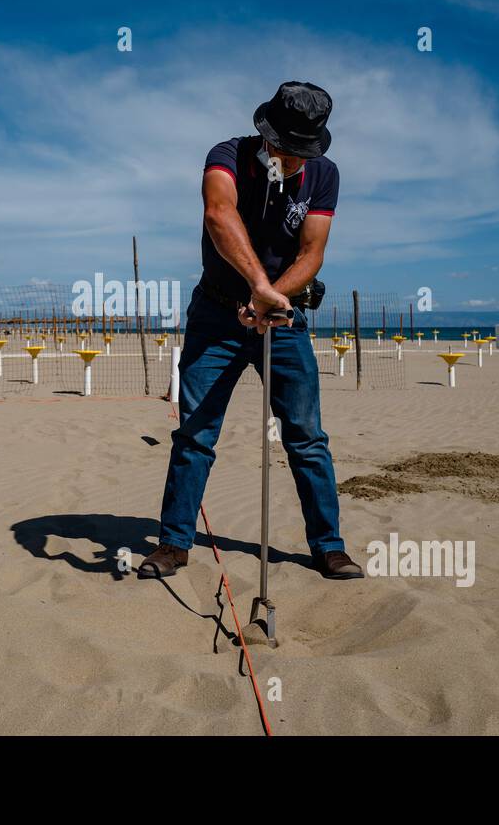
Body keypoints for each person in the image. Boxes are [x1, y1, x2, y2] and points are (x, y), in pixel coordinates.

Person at [139, 82, 363, 581]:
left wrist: (270, 299)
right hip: (216, 315)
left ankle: (328, 546)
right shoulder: (227, 155)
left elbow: (312, 252)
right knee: (195, 434)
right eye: (287, 150)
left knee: (306, 436)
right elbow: (219, 213)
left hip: (284, 317)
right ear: (267, 139)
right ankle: (174, 543)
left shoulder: (324, 175)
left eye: (305, 152)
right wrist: (256, 286)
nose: (296, 160)